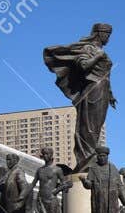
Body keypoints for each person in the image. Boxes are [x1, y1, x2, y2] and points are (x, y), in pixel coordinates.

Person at [42, 23, 115, 171]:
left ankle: (90, 158)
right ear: (99, 33)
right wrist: (98, 56)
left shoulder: (99, 50)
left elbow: (106, 74)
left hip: (103, 90)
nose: (108, 38)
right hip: (93, 89)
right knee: (88, 127)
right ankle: (86, 161)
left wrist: (111, 94)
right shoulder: (89, 49)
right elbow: (83, 66)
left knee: (96, 127)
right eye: (107, 34)